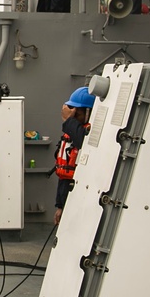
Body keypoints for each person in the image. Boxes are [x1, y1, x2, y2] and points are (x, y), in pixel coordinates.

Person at [53, 87, 95, 225]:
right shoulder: (71, 132)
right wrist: (60, 206)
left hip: (85, 198)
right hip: (68, 192)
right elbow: (64, 174)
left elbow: (83, 143)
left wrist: (68, 121)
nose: (74, 118)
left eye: (77, 114)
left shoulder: (91, 132)